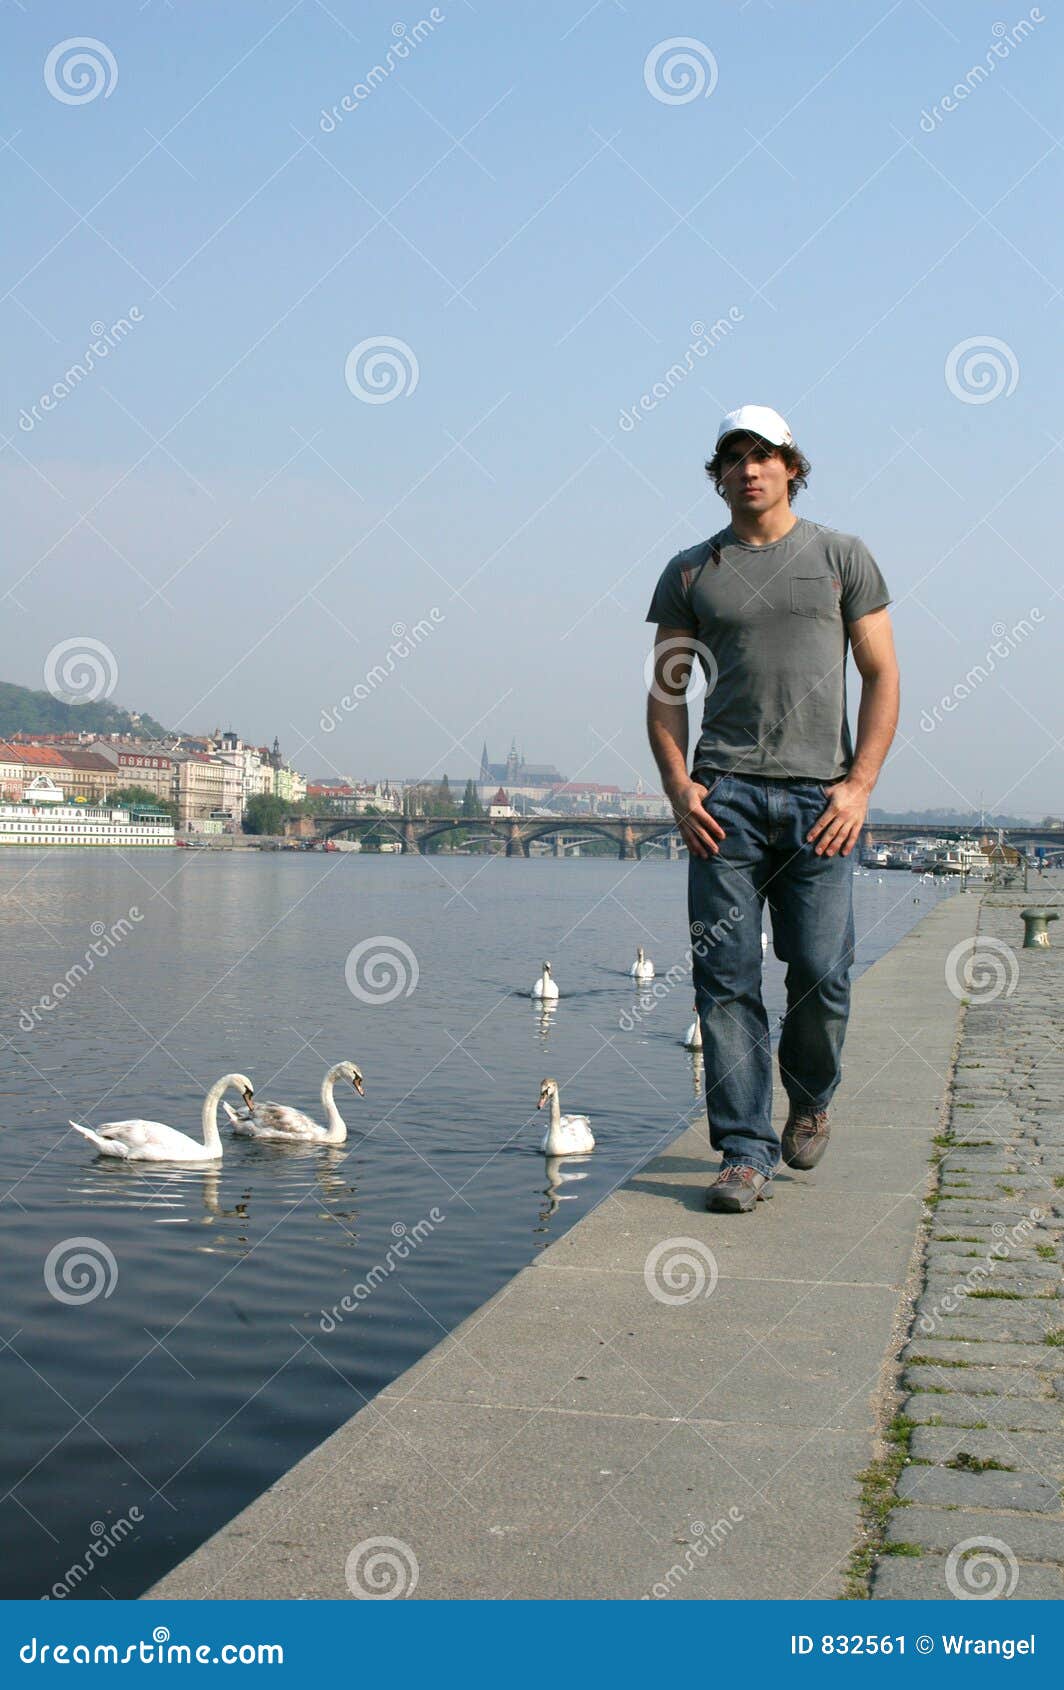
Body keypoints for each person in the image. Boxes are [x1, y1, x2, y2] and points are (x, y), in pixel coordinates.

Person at [646, 405, 899, 1213]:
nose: (749, 469)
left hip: (821, 799)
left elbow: (882, 675)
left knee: (822, 971)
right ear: (718, 474)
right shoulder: (692, 571)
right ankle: (743, 1152)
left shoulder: (840, 557)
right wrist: (679, 787)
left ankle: (811, 1097)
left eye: (765, 455)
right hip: (724, 802)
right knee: (724, 981)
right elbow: (666, 693)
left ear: (792, 467)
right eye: (734, 457)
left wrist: (859, 785)